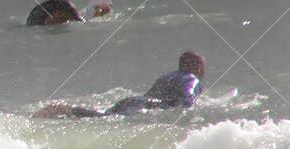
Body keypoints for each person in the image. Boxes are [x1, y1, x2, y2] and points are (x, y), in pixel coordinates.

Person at [34, 52, 207, 119]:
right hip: (141, 106)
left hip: (133, 101)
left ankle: (65, 109)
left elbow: (152, 95)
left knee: (102, 115)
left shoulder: (166, 77)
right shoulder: (192, 79)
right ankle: (64, 110)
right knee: (102, 118)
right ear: (197, 67)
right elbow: (188, 97)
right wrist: (185, 111)